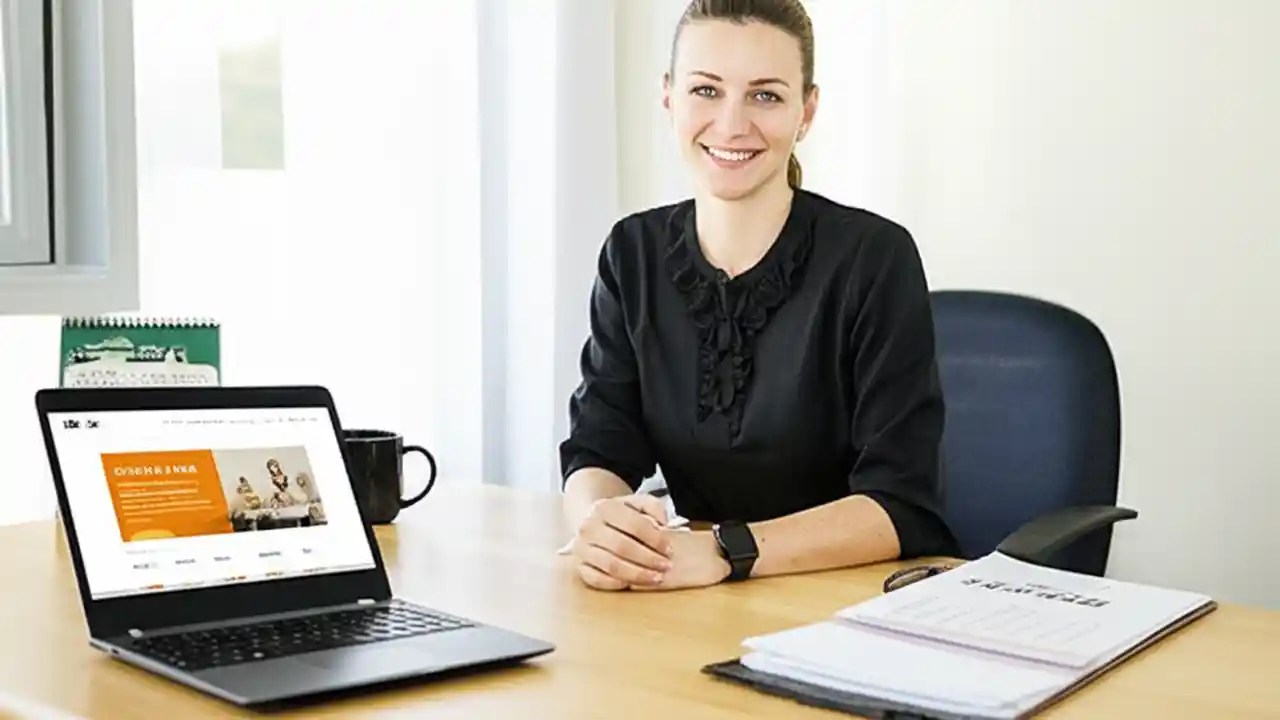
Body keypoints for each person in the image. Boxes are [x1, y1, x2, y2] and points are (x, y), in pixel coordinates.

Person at [558, 0, 959, 592]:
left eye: (765, 96)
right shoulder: (632, 252)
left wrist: (726, 552)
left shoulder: (874, 258)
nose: (731, 125)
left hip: (849, 600)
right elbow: (599, 446)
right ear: (669, 97)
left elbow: (900, 503)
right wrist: (601, 525)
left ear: (806, 111)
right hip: (694, 598)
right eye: (706, 90)